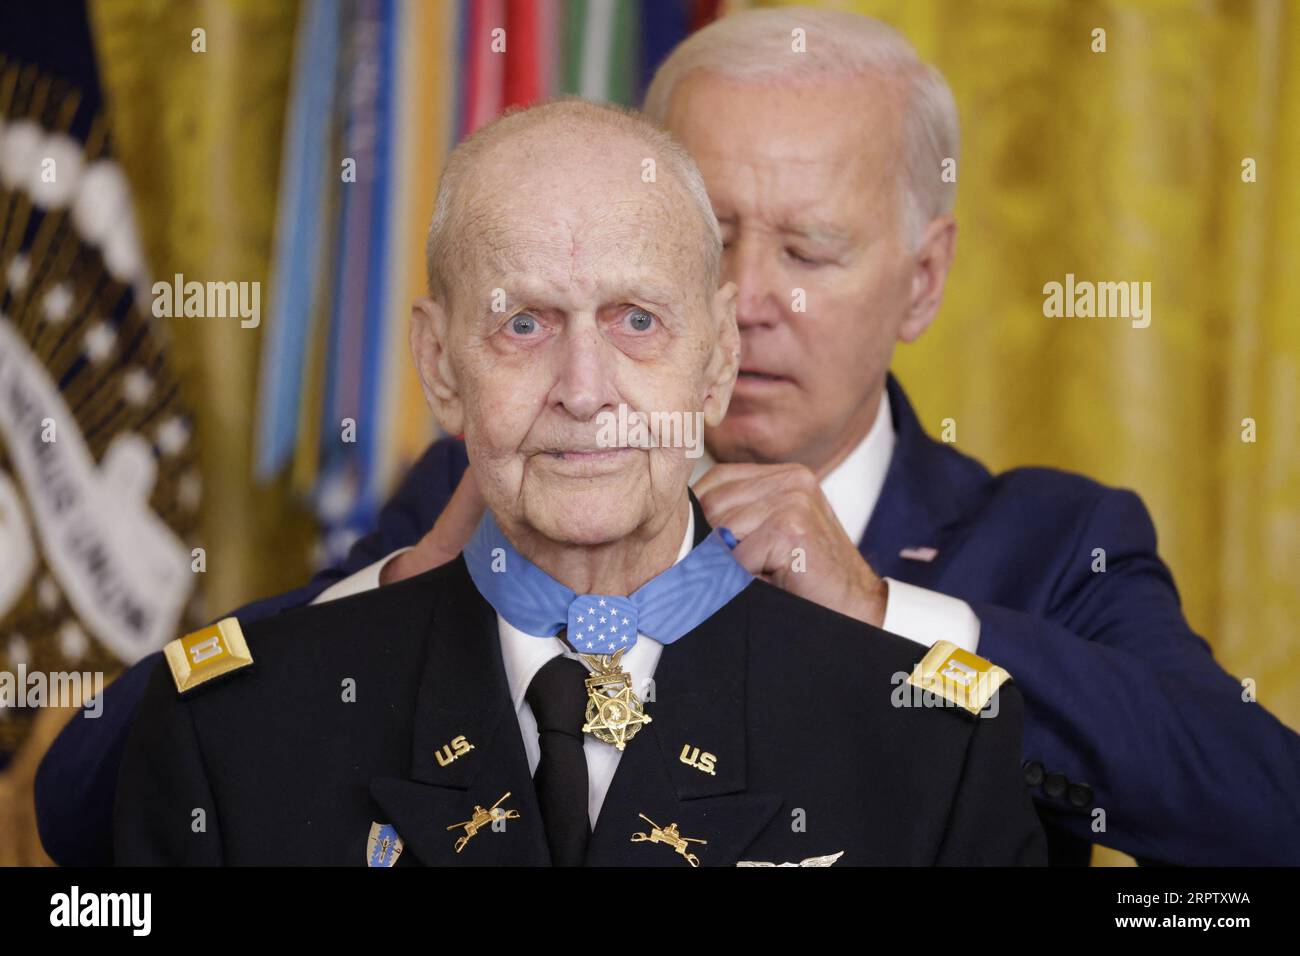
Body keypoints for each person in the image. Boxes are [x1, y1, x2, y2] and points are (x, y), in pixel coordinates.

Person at [39, 7, 1300, 867]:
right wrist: (409, 578)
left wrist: (879, 615)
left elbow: (1265, 812)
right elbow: (101, 796)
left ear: (922, 280)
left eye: (807, 248)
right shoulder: (474, 488)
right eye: (698, 237)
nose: (748, 298)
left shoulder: (1049, 541)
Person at [112, 100, 1045, 866]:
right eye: (523, 324)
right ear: (439, 367)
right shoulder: (237, 733)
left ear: (716, 361)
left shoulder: (931, 745)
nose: (586, 392)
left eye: (637, 320)